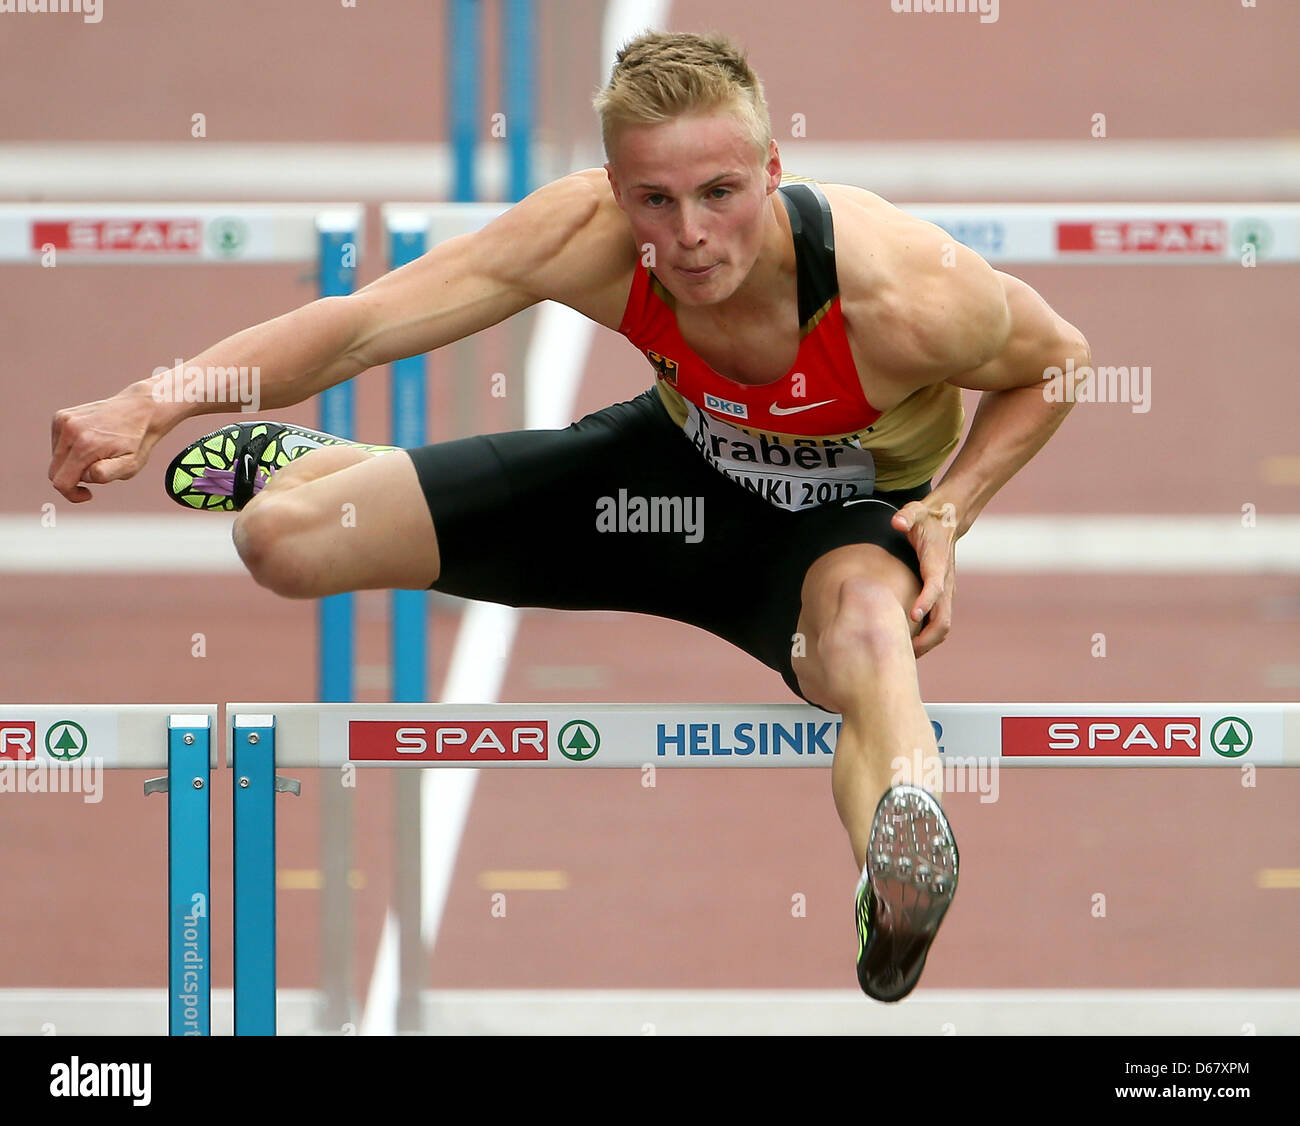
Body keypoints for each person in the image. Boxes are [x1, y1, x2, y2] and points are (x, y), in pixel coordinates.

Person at [49, 30, 1090, 1002]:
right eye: (655, 200)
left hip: (836, 535)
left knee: (871, 637)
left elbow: (1059, 362)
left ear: (773, 173)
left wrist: (952, 507)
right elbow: (356, 330)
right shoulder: (587, 234)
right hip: (656, 488)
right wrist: (152, 402)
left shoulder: (903, 292)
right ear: (614, 190)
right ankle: (337, 471)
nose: (687, 237)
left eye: (720, 193)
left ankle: (894, 871)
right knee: (277, 542)